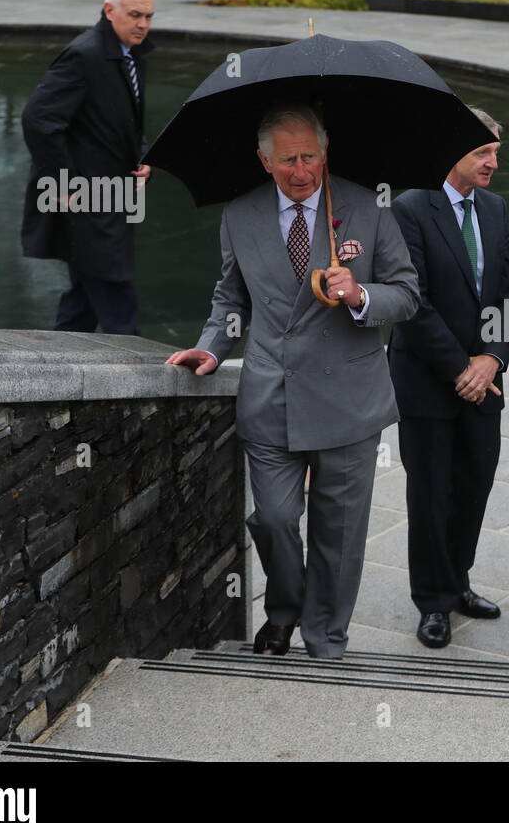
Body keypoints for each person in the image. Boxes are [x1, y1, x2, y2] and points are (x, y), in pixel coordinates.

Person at [165, 104, 419, 658]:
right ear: (263, 160)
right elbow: (230, 297)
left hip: (350, 400)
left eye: (309, 157)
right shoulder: (240, 213)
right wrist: (211, 349)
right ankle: (283, 609)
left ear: (325, 154)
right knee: (275, 518)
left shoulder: (367, 207)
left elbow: (407, 293)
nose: (301, 171)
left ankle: (325, 637)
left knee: (341, 532)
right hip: (270, 396)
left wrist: (359, 294)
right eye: (287, 160)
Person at [388, 108, 509, 650]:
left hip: (484, 382)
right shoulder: (410, 208)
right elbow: (413, 301)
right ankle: (433, 601)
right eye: (482, 152)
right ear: (452, 152)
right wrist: (461, 367)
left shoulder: (495, 207)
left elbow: (507, 292)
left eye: (495, 153)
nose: (492, 162)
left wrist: (493, 357)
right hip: (427, 381)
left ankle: (458, 581)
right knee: (431, 494)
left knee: (473, 487)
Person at [20, 0, 155, 336]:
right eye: (135, 15)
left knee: (83, 300)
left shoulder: (130, 55)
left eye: (149, 17)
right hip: (88, 200)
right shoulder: (86, 54)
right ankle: (139, 381)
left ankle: (54, 373)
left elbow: (125, 120)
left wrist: (142, 156)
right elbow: (39, 119)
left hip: (112, 196)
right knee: (117, 297)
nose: (143, 24)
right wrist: (62, 180)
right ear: (109, 11)